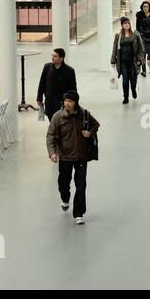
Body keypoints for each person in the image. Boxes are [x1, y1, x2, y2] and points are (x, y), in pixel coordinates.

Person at [46, 90, 98, 224]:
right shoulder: (57, 117)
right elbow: (50, 136)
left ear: (76, 103)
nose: (67, 104)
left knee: (81, 185)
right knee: (64, 183)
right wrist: (52, 153)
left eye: (70, 101)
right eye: (65, 101)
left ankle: (79, 213)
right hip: (64, 157)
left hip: (81, 156)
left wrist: (89, 133)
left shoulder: (84, 114)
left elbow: (96, 124)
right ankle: (65, 197)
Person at [109, 16, 146, 104]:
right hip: (123, 62)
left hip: (133, 61)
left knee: (133, 80)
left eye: (128, 23)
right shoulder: (118, 36)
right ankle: (125, 97)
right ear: (122, 25)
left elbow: (141, 48)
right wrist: (113, 60)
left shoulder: (135, 34)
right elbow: (115, 48)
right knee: (125, 80)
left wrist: (140, 59)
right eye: (125, 23)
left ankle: (133, 89)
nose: (127, 25)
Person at [36, 47, 78, 118]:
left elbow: (73, 88)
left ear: (61, 58)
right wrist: (39, 98)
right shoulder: (47, 67)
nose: (52, 58)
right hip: (49, 102)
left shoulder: (69, 71)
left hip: (61, 103)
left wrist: (74, 103)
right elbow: (42, 83)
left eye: (55, 56)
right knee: (52, 121)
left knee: (61, 123)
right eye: (52, 56)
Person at [135, 0, 150, 75]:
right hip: (143, 36)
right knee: (143, 52)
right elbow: (137, 26)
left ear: (149, 7)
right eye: (144, 6)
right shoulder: (139, 15)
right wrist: (138, 35)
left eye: (147, 6)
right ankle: (144, 70)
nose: (145, 8)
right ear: (142, 7)